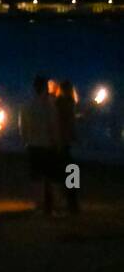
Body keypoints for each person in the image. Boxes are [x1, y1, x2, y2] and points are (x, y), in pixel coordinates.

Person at [19, 75, 60, 215]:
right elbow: (53, 125)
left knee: (36, 177)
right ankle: (51, 206)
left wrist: (25, 141)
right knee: (51, 176)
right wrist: (56, 141)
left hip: (33, 145)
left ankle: (38, 205)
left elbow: (22, 126)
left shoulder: (27, 104)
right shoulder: (49, 105)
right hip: (47, 145)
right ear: (44, 87)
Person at [54, 80, 80, 215]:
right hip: (65, 141)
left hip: (62, 141)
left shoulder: (62, 102)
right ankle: (71, 202)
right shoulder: (67, 102)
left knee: (67, 171)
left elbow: (64, 121)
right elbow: (67, 121)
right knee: (71, 171)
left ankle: (69, 202)